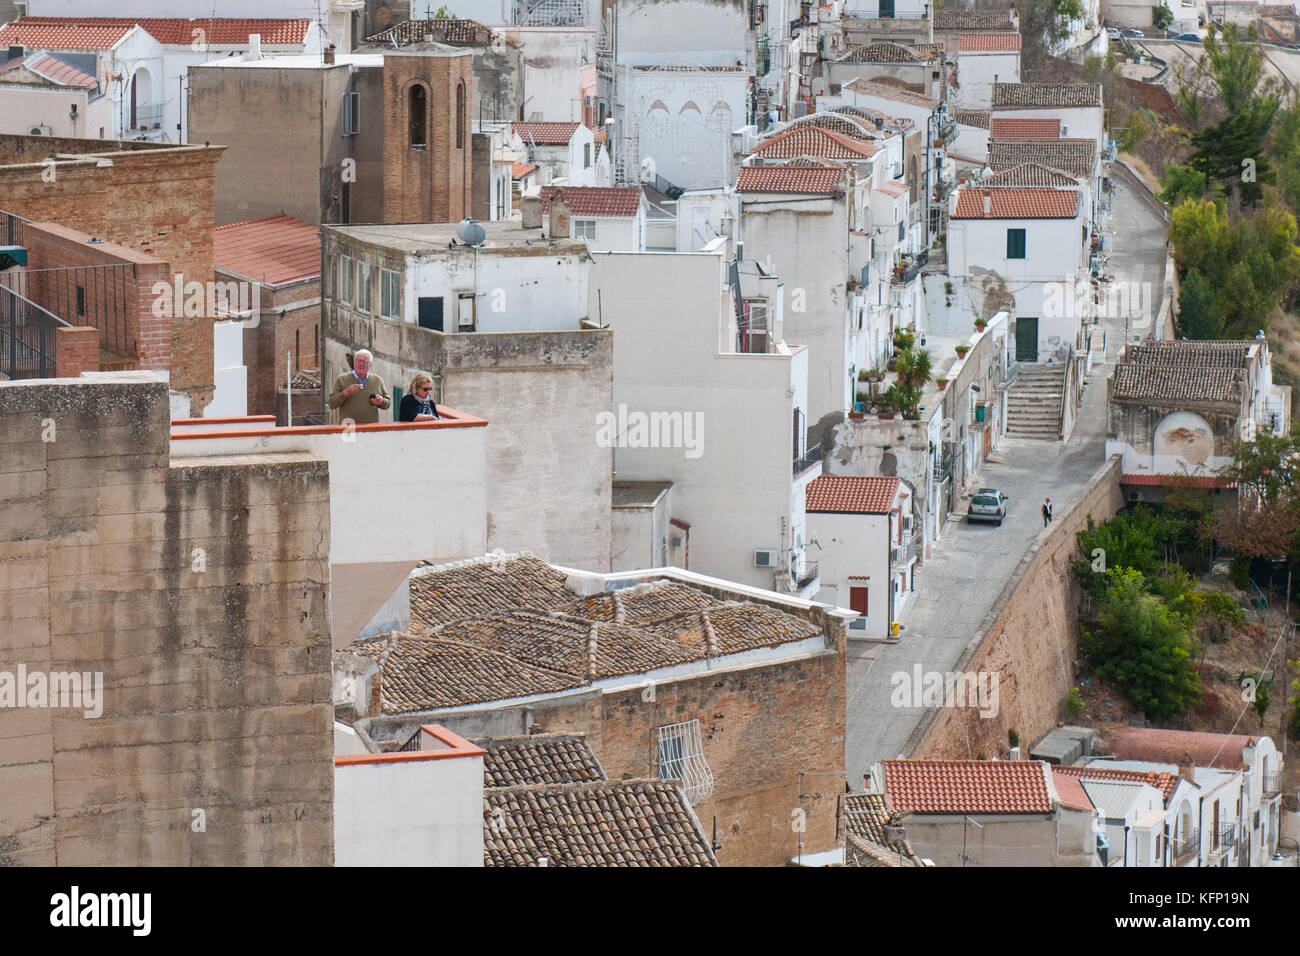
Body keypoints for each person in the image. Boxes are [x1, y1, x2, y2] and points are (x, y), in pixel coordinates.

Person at [328, 348, 390, 424]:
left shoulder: (377, 380)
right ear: (354, 362)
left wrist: (381, 401)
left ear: (370, 364)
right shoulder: (342, 379)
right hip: (348, 428)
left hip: (370, 429)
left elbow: (387, 403)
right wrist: (346, 392)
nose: (361, 364)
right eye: (358, 360)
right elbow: (332, 404)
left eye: (365, 361)